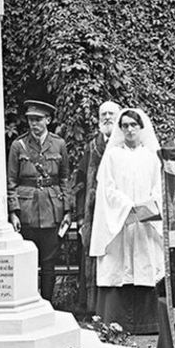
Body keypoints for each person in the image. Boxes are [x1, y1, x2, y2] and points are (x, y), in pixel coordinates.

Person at [90, 108, 164, 334]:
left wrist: (146, 207)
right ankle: (115, 322)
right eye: (125, 126)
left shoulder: (152, 157)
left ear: (142, 128)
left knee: (145, 262)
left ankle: (147, 323)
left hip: (145, 223)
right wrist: (127, 206)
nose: (130, 129)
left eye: (134, 125)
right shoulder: (112, 156)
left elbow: (159, 187)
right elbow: (107, 188)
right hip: (119, 222)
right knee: (118, 264)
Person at [7, 100, 72, 301]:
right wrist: (13, 212)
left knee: (49, 263)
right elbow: (11, 181)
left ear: (48, 120)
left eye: (38, 119)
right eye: (30, 120)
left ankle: (47, 304)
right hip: (26, 212)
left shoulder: (59, 144)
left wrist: (68, 211)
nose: (33, 124)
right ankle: (26, 303)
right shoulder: (18, 145)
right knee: (25, 261)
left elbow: (65, 178)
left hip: (52, 210)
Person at [74, 100, 120, 314]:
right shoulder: (91, 147)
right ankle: (91, 306)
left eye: (111, 114)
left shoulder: (123, 146)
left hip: (115, 212)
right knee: (92, 256)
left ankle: (112, 307)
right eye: (104, 114)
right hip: (93, 213)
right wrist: (80, 217)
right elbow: (80, 182)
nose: (107, 117)